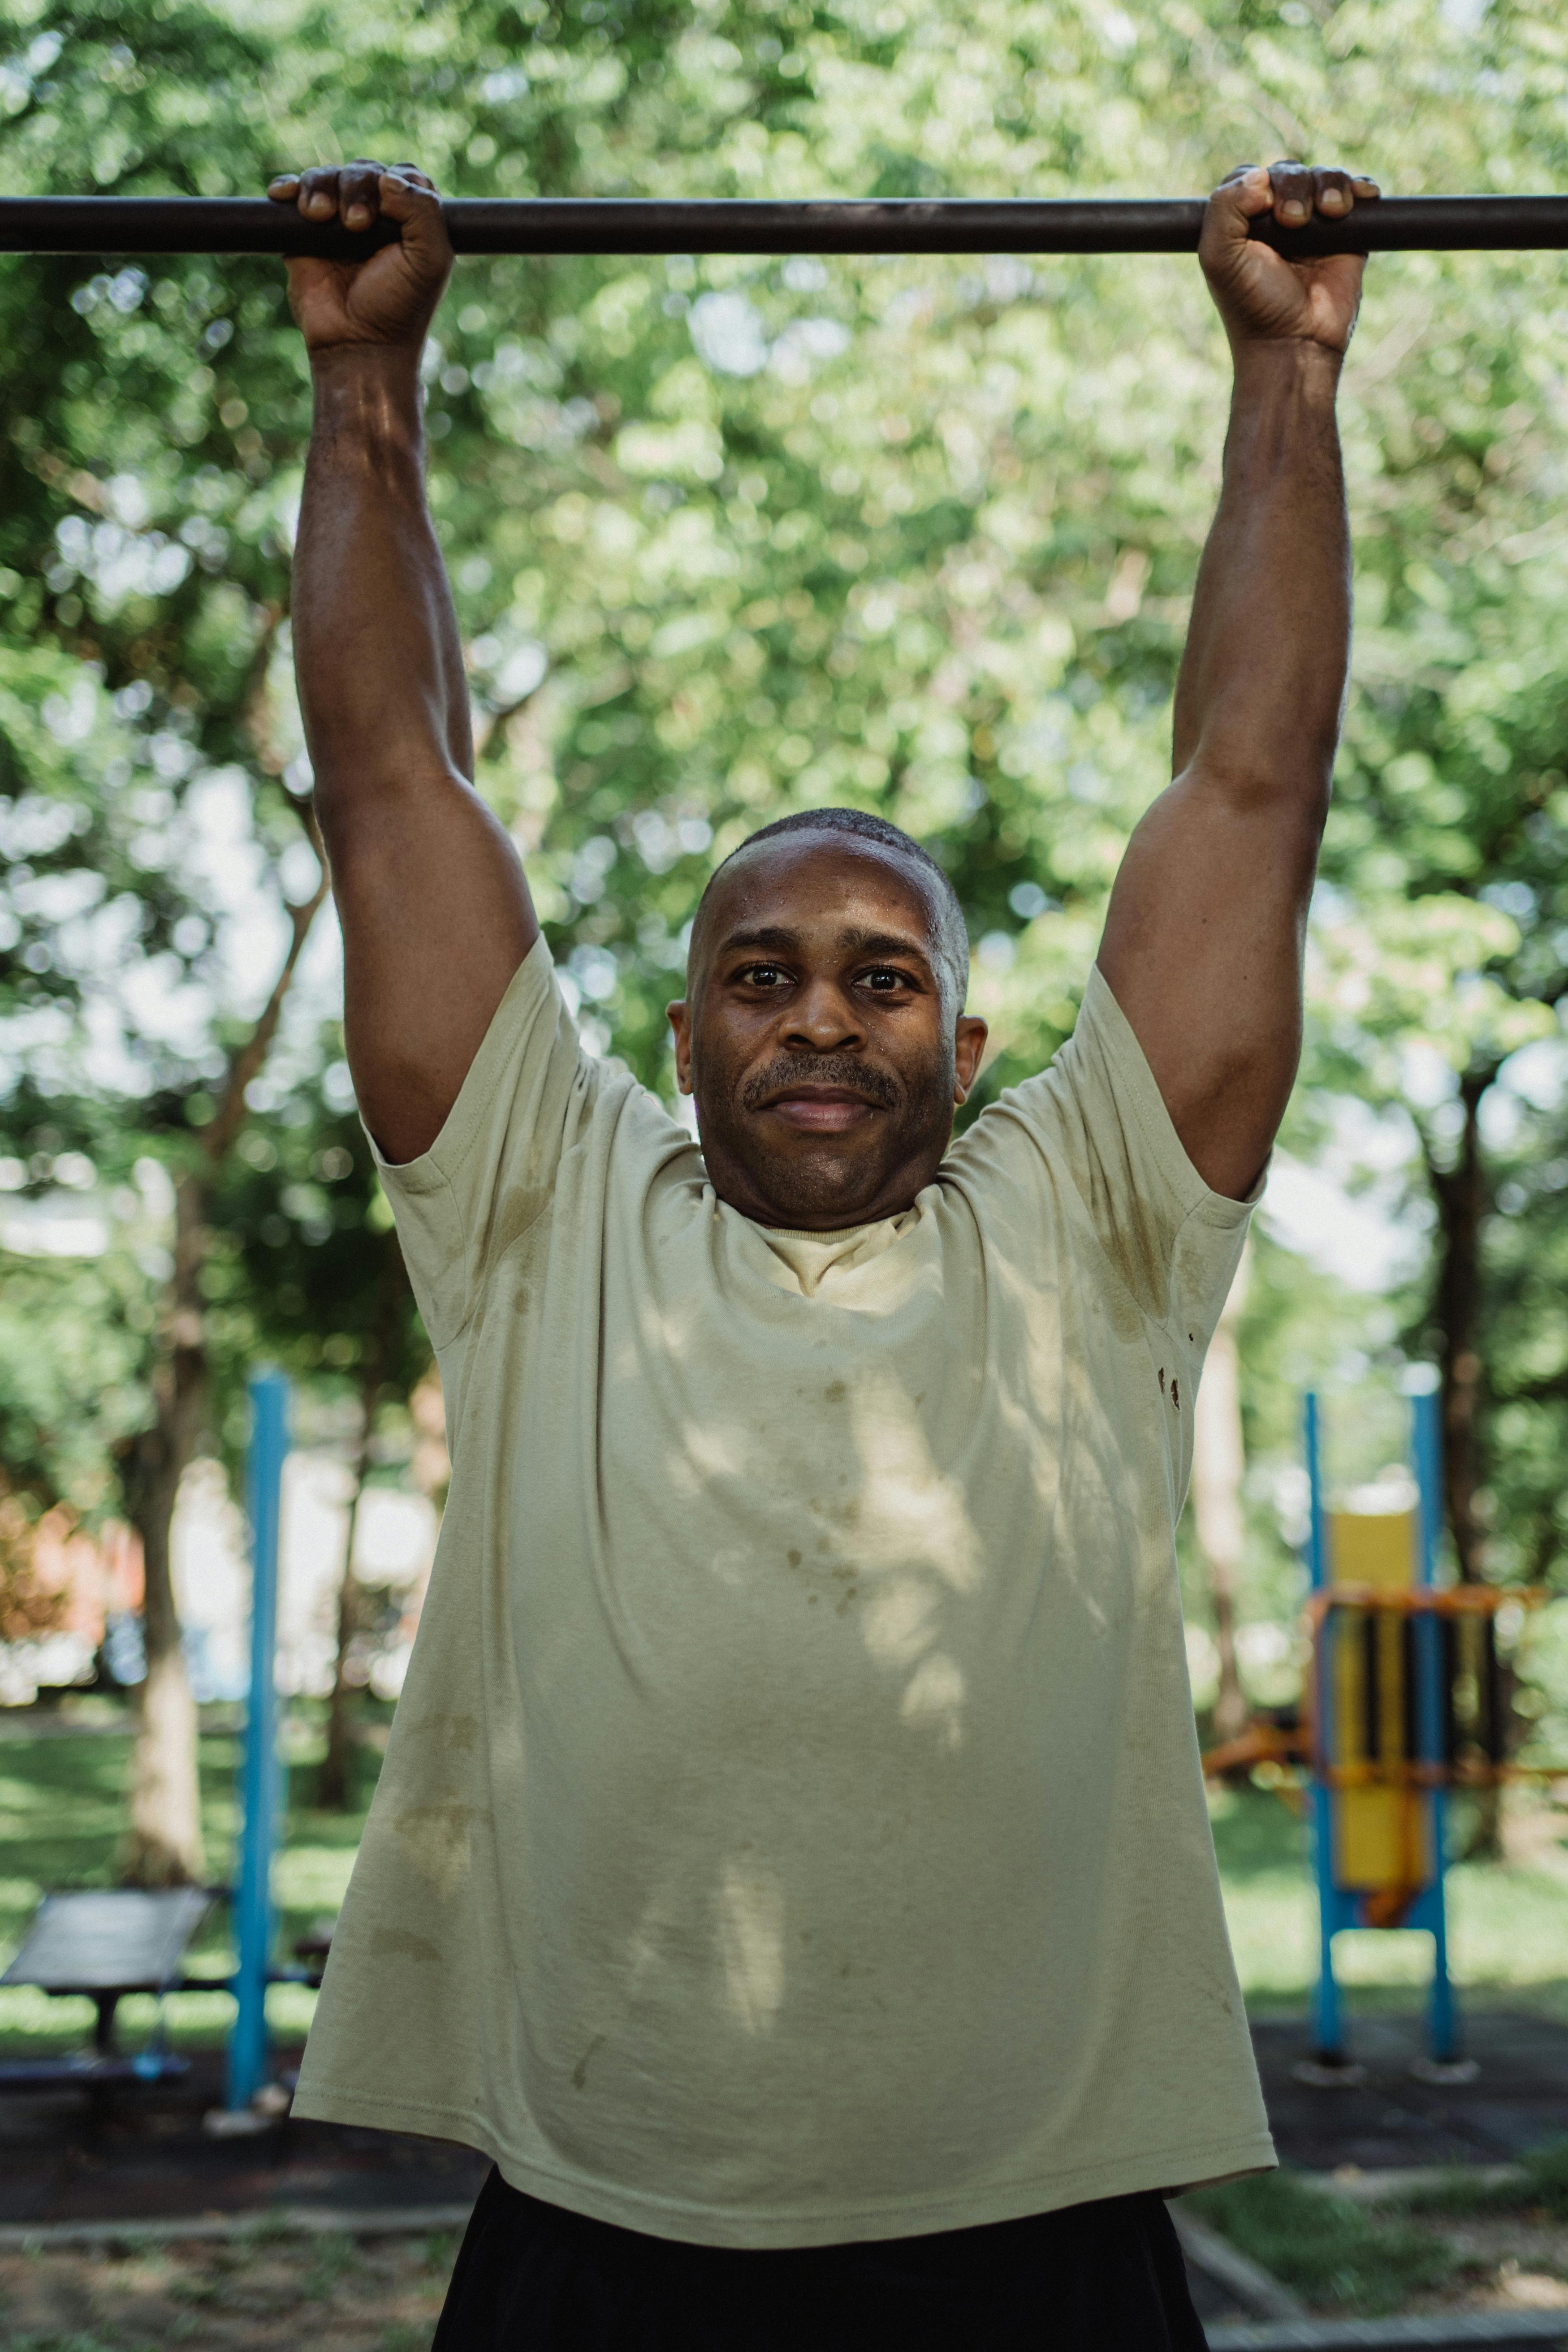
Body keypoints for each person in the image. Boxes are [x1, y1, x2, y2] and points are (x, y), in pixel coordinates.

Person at [271, 152, 1377, 2348]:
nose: (815, 1018)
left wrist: (1284, 375)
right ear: (681, 1029)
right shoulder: (544, 1208)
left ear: (962, 1044)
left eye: (880, 978)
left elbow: (1248, 788)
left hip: (1032, 2224)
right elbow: (392, 783)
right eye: (758, 974)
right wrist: (363, 387)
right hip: (605, 2219)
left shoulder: (1090, 1216)